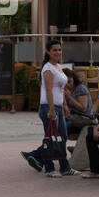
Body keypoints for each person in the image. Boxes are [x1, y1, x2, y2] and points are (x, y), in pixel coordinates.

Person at [22, 40, 76, 177]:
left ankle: (65, 167)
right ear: (48, 52)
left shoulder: (58, 66)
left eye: (59, 49)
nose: (58, 52)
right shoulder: (47, 68)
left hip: (58, 107)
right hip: (48, 107)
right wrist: (51, 109)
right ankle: (49, 168)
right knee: (51, 138)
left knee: (62, 137)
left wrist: (64, 105)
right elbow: (48, 89)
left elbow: (61, 89)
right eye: (54, 50)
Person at [65, 68, 94, 139]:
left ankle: (59, 148)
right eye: (65, 82)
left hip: (83, 119)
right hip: (72, 117)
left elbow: (83, 108)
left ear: (73, 79)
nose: (68, 84)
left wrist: (69, 97)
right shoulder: (66, 89)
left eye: (69, 81)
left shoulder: (80, 89)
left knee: (63, 128)